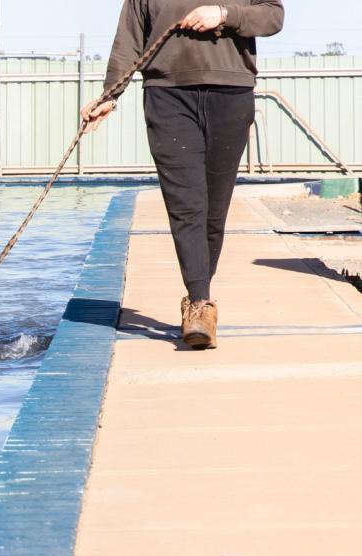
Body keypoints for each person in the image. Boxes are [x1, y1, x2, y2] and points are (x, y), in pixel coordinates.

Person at [82, 1, 284, 349]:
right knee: (186, 204)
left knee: (214, 210)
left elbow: (273, 17)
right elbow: (129, 38)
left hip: (231, 94)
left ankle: (198, 294)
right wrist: (110, 95)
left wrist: (224, 15)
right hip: (167, 95)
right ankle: (199, 304)